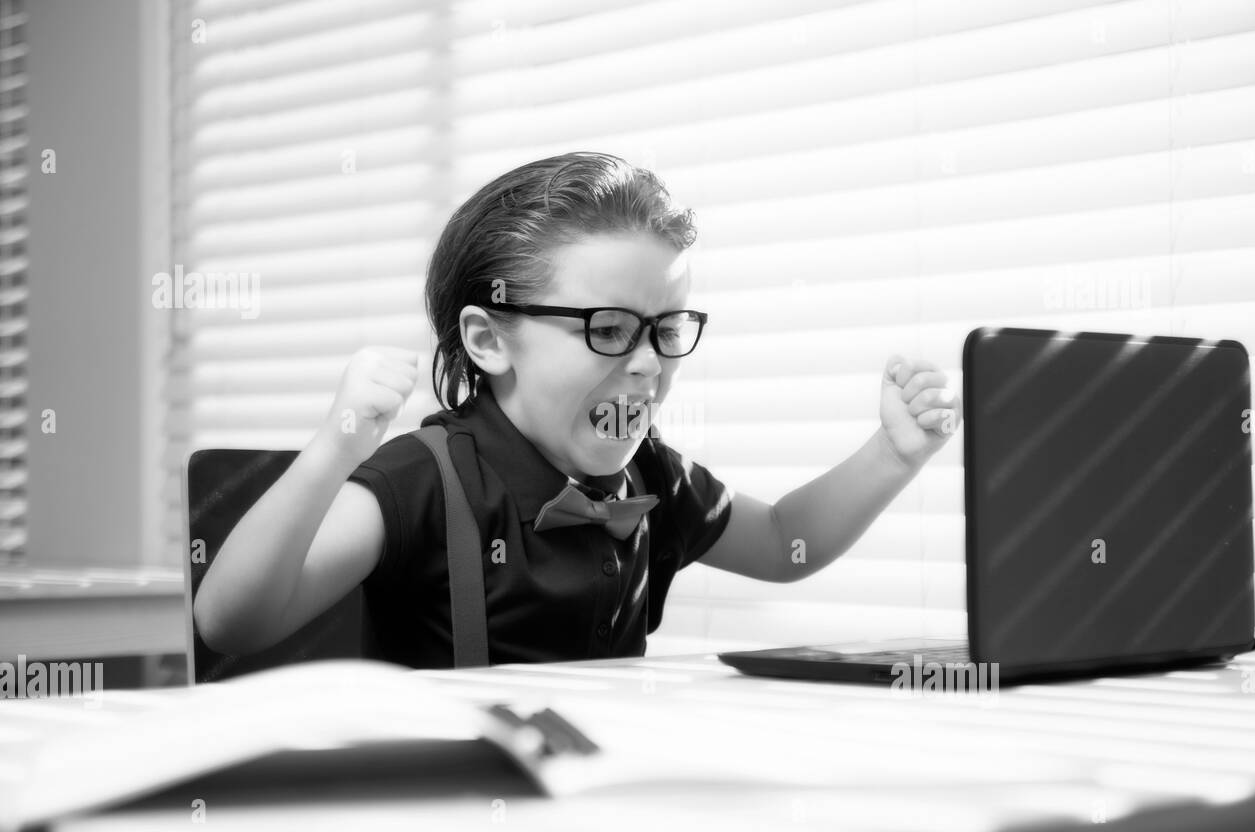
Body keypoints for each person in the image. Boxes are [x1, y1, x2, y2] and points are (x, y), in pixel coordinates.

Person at [193, 151, 962, 667]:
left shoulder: (652, 472)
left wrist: (894, 453)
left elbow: (787, 542)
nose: (648, 363)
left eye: (666, 329)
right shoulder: (426, 481)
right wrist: (336, 445)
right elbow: (230, 621)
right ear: (490, 339)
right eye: (609, 328)